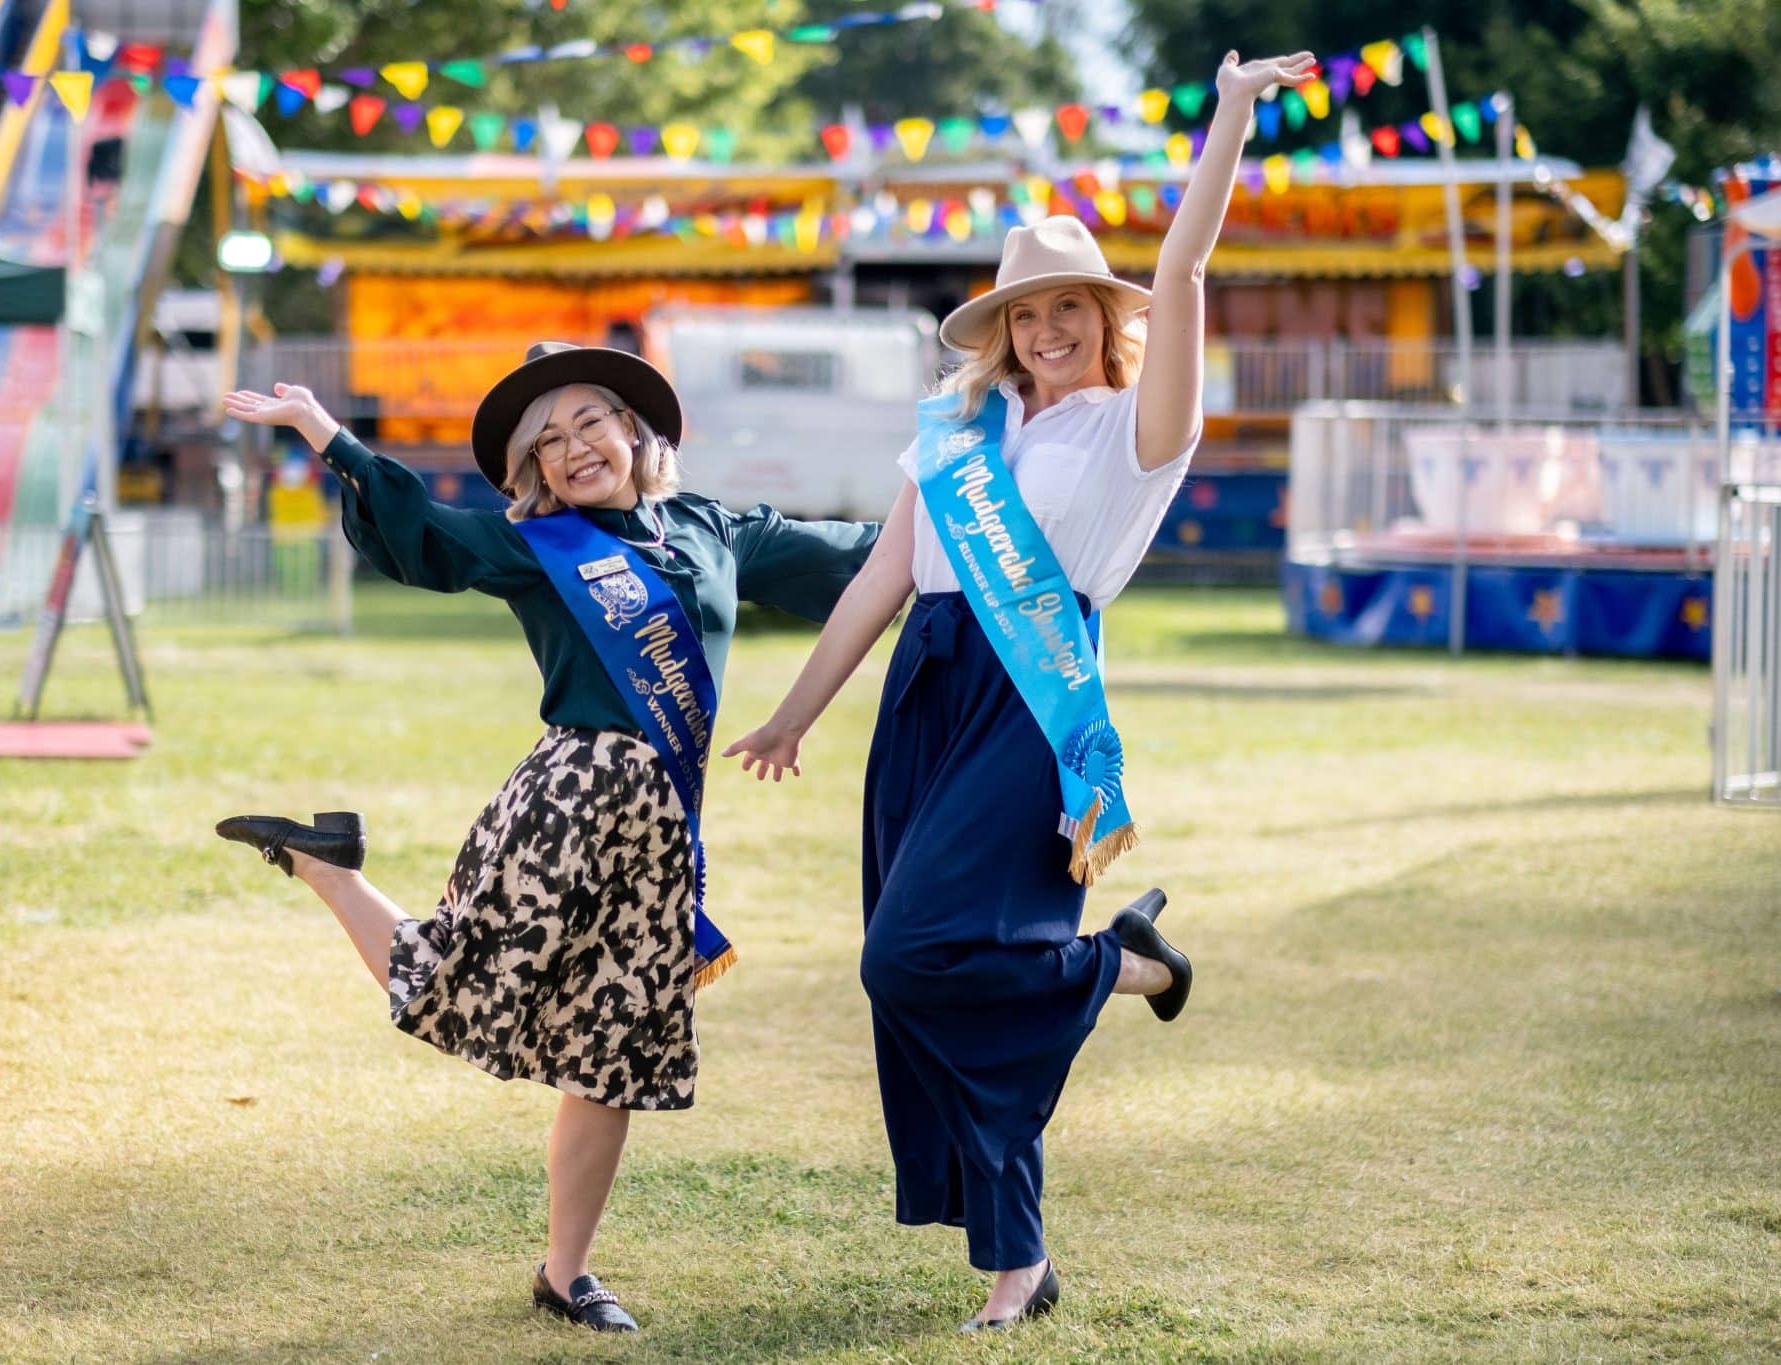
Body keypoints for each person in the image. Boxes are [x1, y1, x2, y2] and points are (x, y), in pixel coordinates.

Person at [725, 50, 1318, 1333]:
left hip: (1026, 706)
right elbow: (885, 576)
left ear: (1103, 318)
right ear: (999, 329)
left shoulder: (1139, 430)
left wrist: (1226, 114)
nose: (1047, 331)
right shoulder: (958, 434)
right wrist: (792, 714)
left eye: (1068, 309)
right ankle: (1018, 1261)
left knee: (914, 954)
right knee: (912, 979)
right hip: (925, 696)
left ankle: (1118, 965)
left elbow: (1184, 273)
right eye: (1025, 314)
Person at [214, 342, 877, 1331]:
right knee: (455, 982)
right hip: (568, 802)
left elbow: (859, 556)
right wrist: (328, 435)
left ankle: (565, 1274)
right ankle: (327, 870)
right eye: (547, 442)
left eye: (587, 423)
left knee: (613, 1048)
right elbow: (425, 531)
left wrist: (963, 510)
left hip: (660, 831)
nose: (572, 450)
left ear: (634, 430)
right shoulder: (540, 544)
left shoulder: (714, 529)